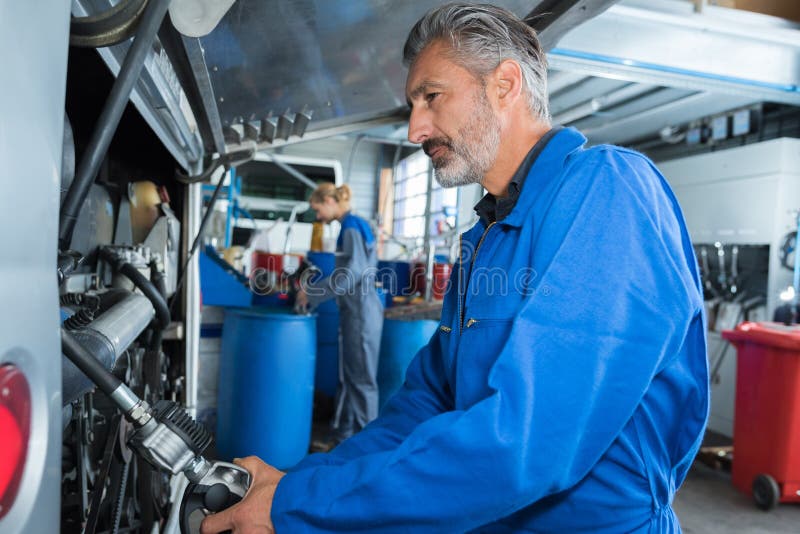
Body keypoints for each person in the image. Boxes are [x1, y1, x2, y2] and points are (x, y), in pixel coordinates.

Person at [201, 3, 709, 533]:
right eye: (413, 105)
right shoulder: (486, 237)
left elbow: (527, 440)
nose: (416, 128)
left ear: (505, 84)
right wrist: (300, 483)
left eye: (432, 97)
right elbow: (422, 408)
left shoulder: (606, 191)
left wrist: (301, 506)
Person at [294, 183, 384, 449]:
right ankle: (344, 440)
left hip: (361, 312)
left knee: (362, 381)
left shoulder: (351, 226)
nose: (318, 216)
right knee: (349, 379)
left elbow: (350, 274)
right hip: (355, 310)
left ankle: (367, 448)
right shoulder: (354, 224)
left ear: (331, 201)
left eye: (318, 209)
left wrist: (312, 293)